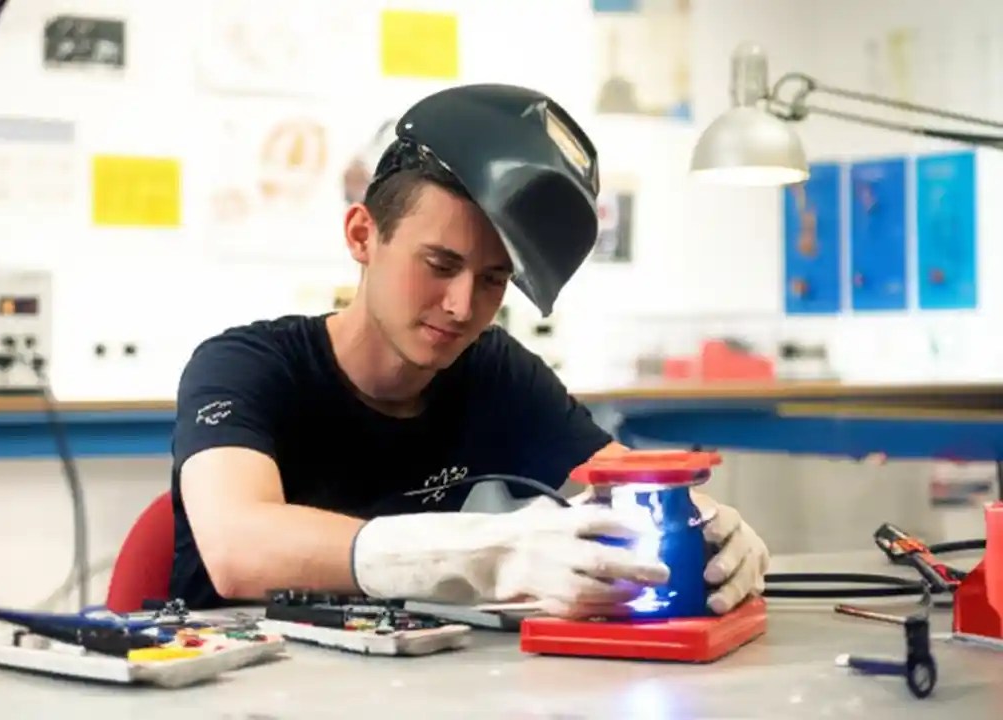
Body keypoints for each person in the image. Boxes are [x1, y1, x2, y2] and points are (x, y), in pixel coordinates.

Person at [168, 84, 770, 617]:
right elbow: (238, 549)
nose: (462, 306)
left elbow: (624, 484)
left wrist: (709, 527)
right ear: (361, 236)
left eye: (492, 278)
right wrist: (492, 554)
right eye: (440, 265)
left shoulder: (492, 370)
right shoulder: (245, 366)